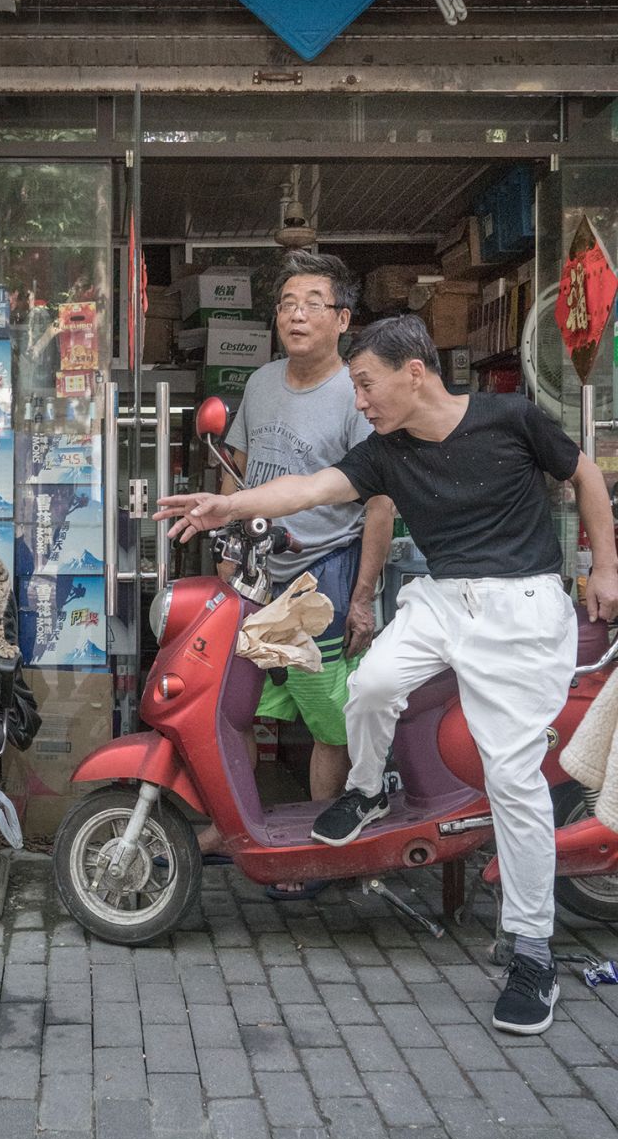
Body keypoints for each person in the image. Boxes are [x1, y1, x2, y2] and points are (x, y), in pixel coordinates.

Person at [156, 313, 618, 1037]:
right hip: (441, 599)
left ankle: (532, 950)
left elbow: (584, 472)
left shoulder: (510, 418)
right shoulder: (385, 452)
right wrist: (229, 504)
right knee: (369, 687)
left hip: (521, 607)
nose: (360, 401)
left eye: (366, 384)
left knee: (512, 778)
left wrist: (607, 568)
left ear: (414, 372)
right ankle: (368, 790)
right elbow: (308, 488)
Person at [200, 252, 394, 898]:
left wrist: (362, 597)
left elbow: (379, 504)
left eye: (313, 302)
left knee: (325, 715)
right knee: (233, 696)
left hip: (323, 573)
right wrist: (228, 554)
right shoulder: (261, 383)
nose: (297, 314)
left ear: (343, 319)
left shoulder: (356, 394)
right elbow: (236, 469)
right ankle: (235, 824)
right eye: (287, 303)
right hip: (260, 569)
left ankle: (323, 843)